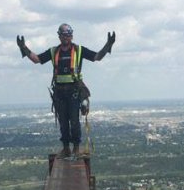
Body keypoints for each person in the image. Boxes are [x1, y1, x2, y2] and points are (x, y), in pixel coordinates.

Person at [16, 23, 115, 158]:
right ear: (59, 36)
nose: (65, 38)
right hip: (60, 93)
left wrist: (108, 45)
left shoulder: (79, 50)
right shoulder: (54, 51)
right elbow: (37, 59)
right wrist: (24, 48)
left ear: (71, 36)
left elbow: (97, 57)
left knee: (74, 121)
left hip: (74, 91)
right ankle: (66, 148)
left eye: (68, 35)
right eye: (63, 35)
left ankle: (75, 148)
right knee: (63, 121)